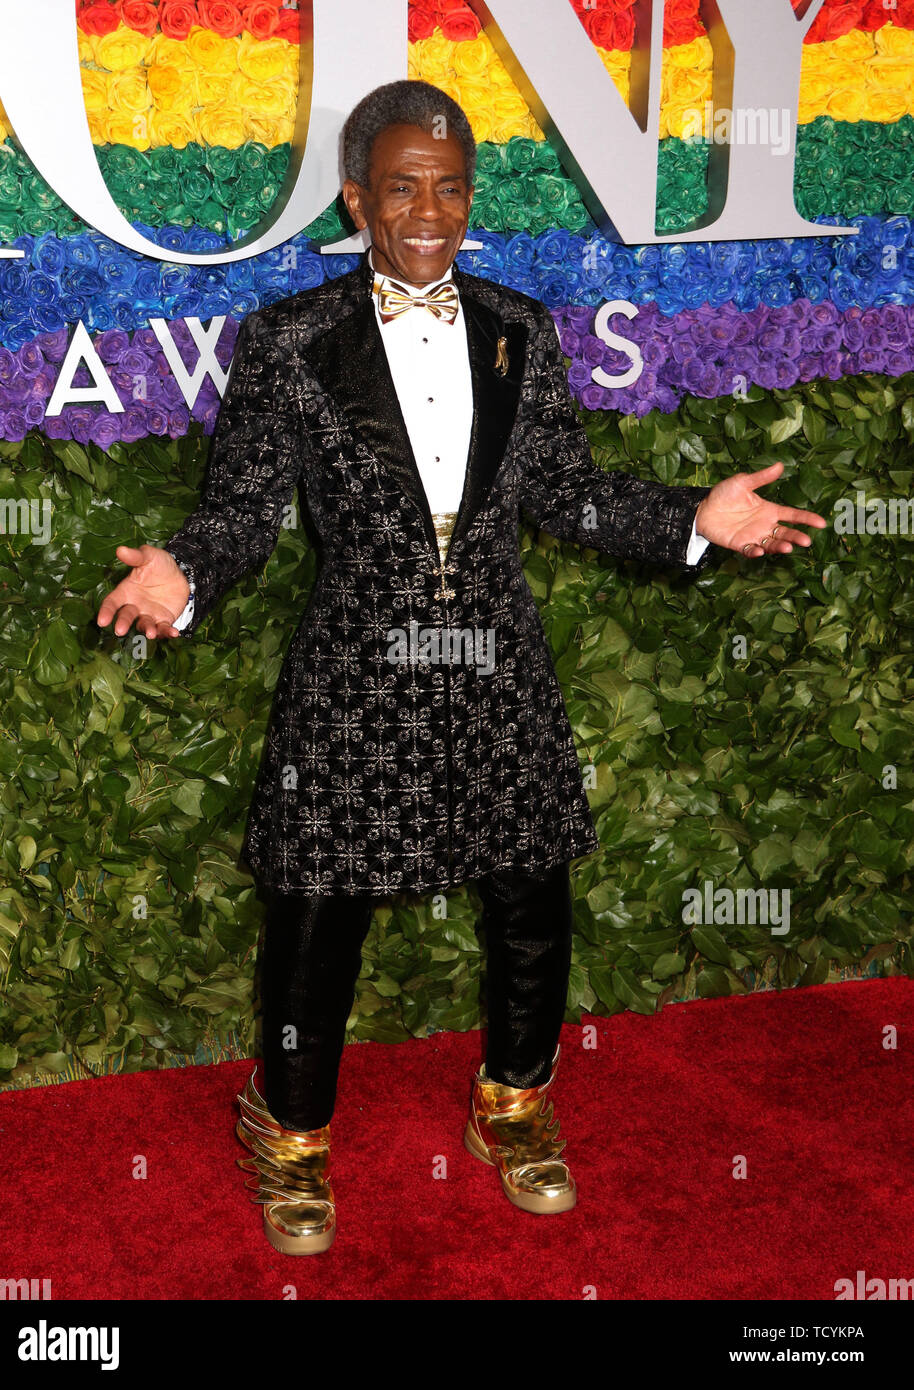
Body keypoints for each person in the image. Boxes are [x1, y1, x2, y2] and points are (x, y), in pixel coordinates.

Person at [97, 80, 826, 1256]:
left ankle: (515, 1104)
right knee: (317, 909)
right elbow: (238, 511)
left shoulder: (515, 328)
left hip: (495, 659)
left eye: (447, 187)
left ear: (466, 197)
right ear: (358, 199)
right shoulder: (289, 340)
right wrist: (182, 571)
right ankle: (288, 1133)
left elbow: (567, 491)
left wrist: (693, 516)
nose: (427, 210)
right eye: (402, 187)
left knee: (533, 895)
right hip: (356, 664)